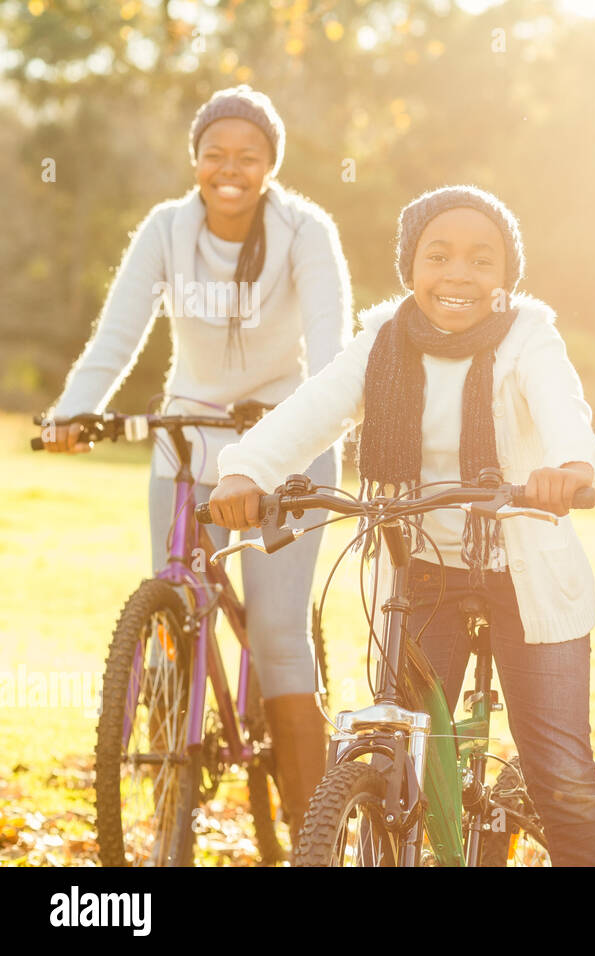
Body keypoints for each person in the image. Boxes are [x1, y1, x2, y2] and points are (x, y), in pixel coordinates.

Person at [209, 185, 595, 865]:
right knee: (404, 754)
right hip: (422, 571)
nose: (459, 274)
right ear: (411, 268)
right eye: (440, 255)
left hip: (527, 576)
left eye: (482, 260)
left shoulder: (528, 337)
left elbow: (563, 411)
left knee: (562, 775)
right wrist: (246, 470)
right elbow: (314, 410)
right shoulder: (382, 344)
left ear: (505, 277)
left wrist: (570, 466)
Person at [42, 85, 350, 852]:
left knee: (278, 632)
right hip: (191, 442)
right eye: (215, 153)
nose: (230, 168)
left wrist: (302, 421)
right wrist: (76, 411)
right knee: (171, 617)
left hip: (285, 445)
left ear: (271, 164)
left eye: (248, 156)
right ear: (195, 160)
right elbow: (115, 338)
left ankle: (308, 831)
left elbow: (330, 347)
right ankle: (166, 809)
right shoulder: (167, 230)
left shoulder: (305, 230)